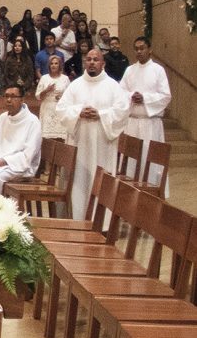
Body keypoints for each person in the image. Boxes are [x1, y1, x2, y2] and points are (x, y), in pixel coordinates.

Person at [57, 48, 132, 220]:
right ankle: (77, 218)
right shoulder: (75, 85)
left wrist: (101, 114)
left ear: (103, 63)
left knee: (102, 180)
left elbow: (122, 111)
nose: (91, 62)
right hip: (80, 144)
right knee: (79, 180)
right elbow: (61, 109)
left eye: (95, 59)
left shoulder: (113, 86)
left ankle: (102, 221)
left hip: (103, 146)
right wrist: (78, 112)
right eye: (89, 59)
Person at [120, 36, 171, 187]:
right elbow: (121, 92)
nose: (139, 51)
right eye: (136, 49)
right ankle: (130, 190)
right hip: (132, 123)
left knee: (150, 160)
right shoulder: (129, 70)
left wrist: (145, 98)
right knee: (131, 161)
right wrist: (131, 96)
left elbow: (165, 96)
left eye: (142, 48)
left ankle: (152, 191)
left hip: (151, 124)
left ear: (150, 50)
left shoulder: (158, 70)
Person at [35, 52, 70, 140]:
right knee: (46, 138)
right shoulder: (44, 78)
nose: (53, 65)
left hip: (60, 109)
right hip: (47, 109)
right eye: (51, 63)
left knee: (61, 138)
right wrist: (47, 90)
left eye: (56, 63)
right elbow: (38, 96)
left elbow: (70, 96)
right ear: (49, 65)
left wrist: (61, 97)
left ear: (60, 65)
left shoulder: (65, 79)